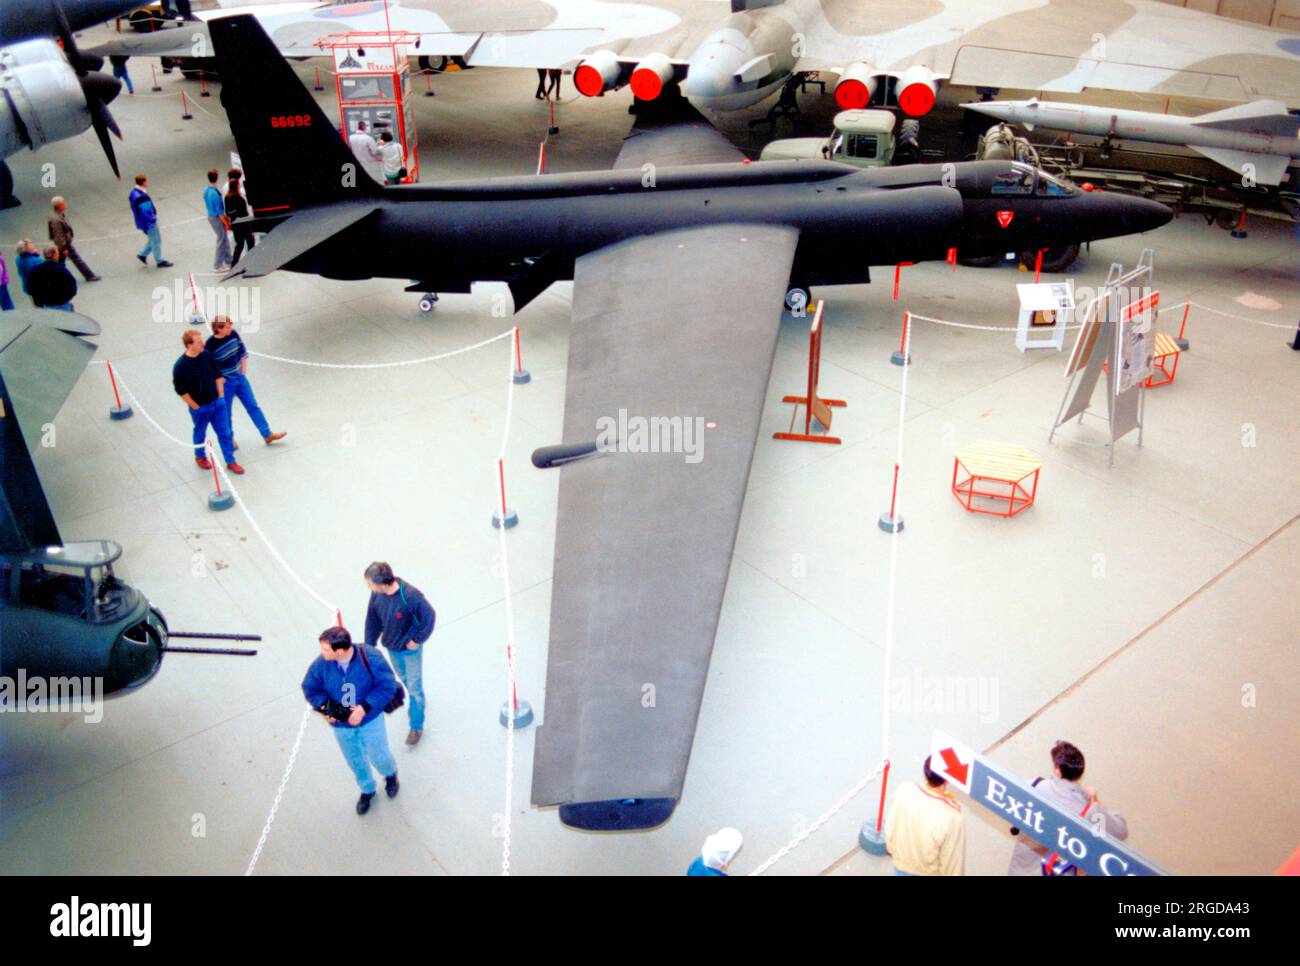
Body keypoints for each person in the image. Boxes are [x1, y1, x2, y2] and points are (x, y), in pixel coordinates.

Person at [302, 625, 400, 815]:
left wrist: (365, 707)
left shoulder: (370, 657)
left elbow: (387, 686)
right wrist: (326, 708)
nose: (321, 653)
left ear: (340, 651)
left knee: (379, 754)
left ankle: (390, 776)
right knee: (354, 759)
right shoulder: (321, 664)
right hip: (342, 726)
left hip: (370, 720)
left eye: (325, 649)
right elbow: (310, 687)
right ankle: (367, 789)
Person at [1008, 740, 1128, 876]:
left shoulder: (1033, 787)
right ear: (1080, 773)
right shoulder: (1089, 810)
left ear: (1057, 770)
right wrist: (1096, 801)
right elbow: (1121, 830)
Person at [363, 561, 435, 746]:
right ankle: (417, 700)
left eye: (370, 583)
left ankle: (416, 726)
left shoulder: (410, 596)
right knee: (405, 679)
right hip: (392, 647)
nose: (368, 586)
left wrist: (417, 639)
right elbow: (372, 620)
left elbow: (429, 616)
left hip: (410, 651)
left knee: (415, 688)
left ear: (383, 583)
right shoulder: (377, 594)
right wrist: (369, 647)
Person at [205, 314, 286, 446]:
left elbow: (242, 351)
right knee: (226, 412)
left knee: (252, 406)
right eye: (227, 326)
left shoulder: (233, 334)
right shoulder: (210, 345)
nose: (230, 328)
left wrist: (243, 371)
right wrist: (219, 381)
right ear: (218, 329)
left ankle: (267, 434)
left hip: (239, 378)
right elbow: (207, 367)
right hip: (225, 383)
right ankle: (229, 439)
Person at [172, 329, 243, 474]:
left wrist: (221, 397)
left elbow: (217, 376)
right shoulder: (180, 366)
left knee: (225, 433)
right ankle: (200, 456)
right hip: (200, 408)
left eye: (201, 340)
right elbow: (181, 391)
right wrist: (195, 407)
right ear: (189, 345)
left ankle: (230, 461)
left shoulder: (207, 356)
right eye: (199, 342)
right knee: (200, 433)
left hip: (217, 404)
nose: (202, 344)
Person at [884, 756, 966, 876]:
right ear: (947, 780)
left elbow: (890, 828)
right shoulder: (952, 817)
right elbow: (952, 861)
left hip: (901, 865)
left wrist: (893, 851)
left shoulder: (905, 790)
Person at [47, 197, 101, 282]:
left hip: (61, 244)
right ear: (59, 205)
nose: (65, 204)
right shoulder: (57, 219)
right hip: (64, 244)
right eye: (63, 203)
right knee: (76, 259)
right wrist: (64, 247)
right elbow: (59, 235)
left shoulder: (55, 215)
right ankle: (89, 275)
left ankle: (56, 277)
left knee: (60, 261)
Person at [129, 175, 172, 268]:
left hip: (142, 220)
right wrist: (152, 219)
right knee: (156, 240)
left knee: (153, 239)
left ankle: (143, 254)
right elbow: (146, 211)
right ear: (144, 182)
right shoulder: (142, 196)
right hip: (149, 222)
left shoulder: (133, 193)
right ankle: (159, 260)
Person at [27, 245, 77, 311]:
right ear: (54, 255)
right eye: (57, 253)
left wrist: (39, 301)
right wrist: (69, 297)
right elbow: (72, 285)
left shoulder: (36, 270)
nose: (59, 255)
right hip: (62, 303)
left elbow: (31, 287)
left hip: (47, 303)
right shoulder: (61, 270)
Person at [203, 169, 232, 272]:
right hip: (216, 218)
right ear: (217, 178)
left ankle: (229, 260)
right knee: (221, 239)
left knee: (224, 239)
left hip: (211, 216)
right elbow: (220, 212)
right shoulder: (215, 193)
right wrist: (227, 223)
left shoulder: (206, 189)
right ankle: (217, 265)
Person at [225, 177, 256, 266]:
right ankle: (249, 263)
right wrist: (251, 229)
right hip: (244, 225)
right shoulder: (240, 199)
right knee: (250, 243)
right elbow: (245, 214)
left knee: (239, 246)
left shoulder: (227, 198)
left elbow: (227, 212)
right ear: (237, 186)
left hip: (235, 225)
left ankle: (234, 265)